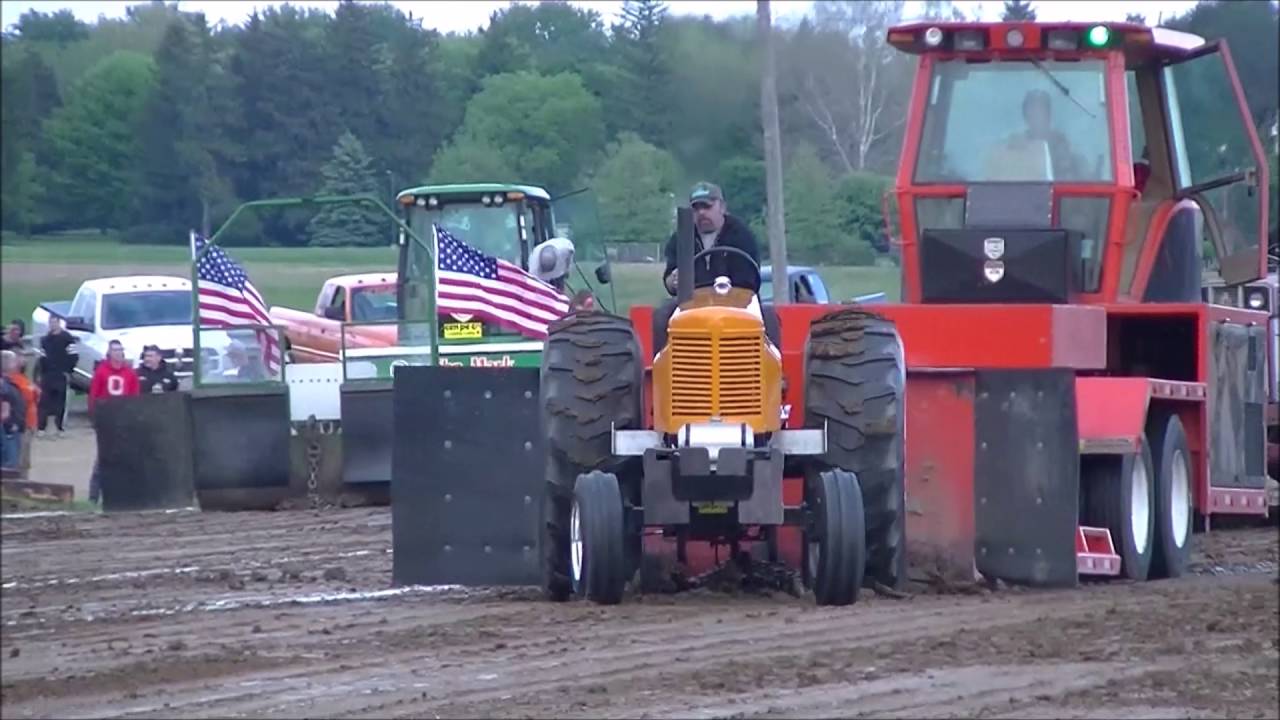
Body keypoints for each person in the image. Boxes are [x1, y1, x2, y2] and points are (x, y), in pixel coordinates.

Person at [652, 182, 776, 355]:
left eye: (707, 206)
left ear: (722, 207)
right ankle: (661, 370)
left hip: (736, 301)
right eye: (696, 208)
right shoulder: (682, 236)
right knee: (661, 314)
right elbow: (669, 279)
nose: (702, 212)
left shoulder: (741, 235)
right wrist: (673, 280)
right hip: (692, 302)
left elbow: (750, 280)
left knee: (769, 317)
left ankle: (774, 372)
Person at [86, 340, 140, 504]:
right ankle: (94, 495)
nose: (118, 353)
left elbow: (134, 397)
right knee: (103, 458)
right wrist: (94, 416)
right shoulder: (101, 372)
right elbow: (93, 396)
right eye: (114, 350)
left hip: (123, 421)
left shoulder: (130, 373)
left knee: (126, 457)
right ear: (109, 353)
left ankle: (125, 494)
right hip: (106, 421)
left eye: (120, 350)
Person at [1006, 89, 1086, 180]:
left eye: (1039, 111)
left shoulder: (1065, 147)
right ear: (1026, 117)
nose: (1035, 116)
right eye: (1031, 113)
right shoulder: (1016, 147)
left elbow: (1078, 181)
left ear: (1048, 115)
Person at [37, 315, 78, 437]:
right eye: (51, 323)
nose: (53, 325)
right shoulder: (45, 340)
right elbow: (42, 357)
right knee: (44, 402)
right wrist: (43, 372)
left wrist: (67, 370)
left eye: (55, 322)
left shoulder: (67, 338)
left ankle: (60, 428)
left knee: (61, 402)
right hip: (48, 375)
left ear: (59, 323)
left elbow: (73, 355)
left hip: (61, 374)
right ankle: (41, 428)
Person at [3, 350, 39, 473]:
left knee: (24, 459)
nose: (24, 360)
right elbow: (27, 396)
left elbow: (35, 395)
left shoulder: (23, 378)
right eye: (20, 357)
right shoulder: (10, 381)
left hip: (28, 422)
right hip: (17, 424)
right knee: (17, 460)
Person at [0, 371, 25, 471]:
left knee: (9, 464)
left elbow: (5, 414)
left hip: (9, 428)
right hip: (14, 426)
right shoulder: (11, 387)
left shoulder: (5, 391)